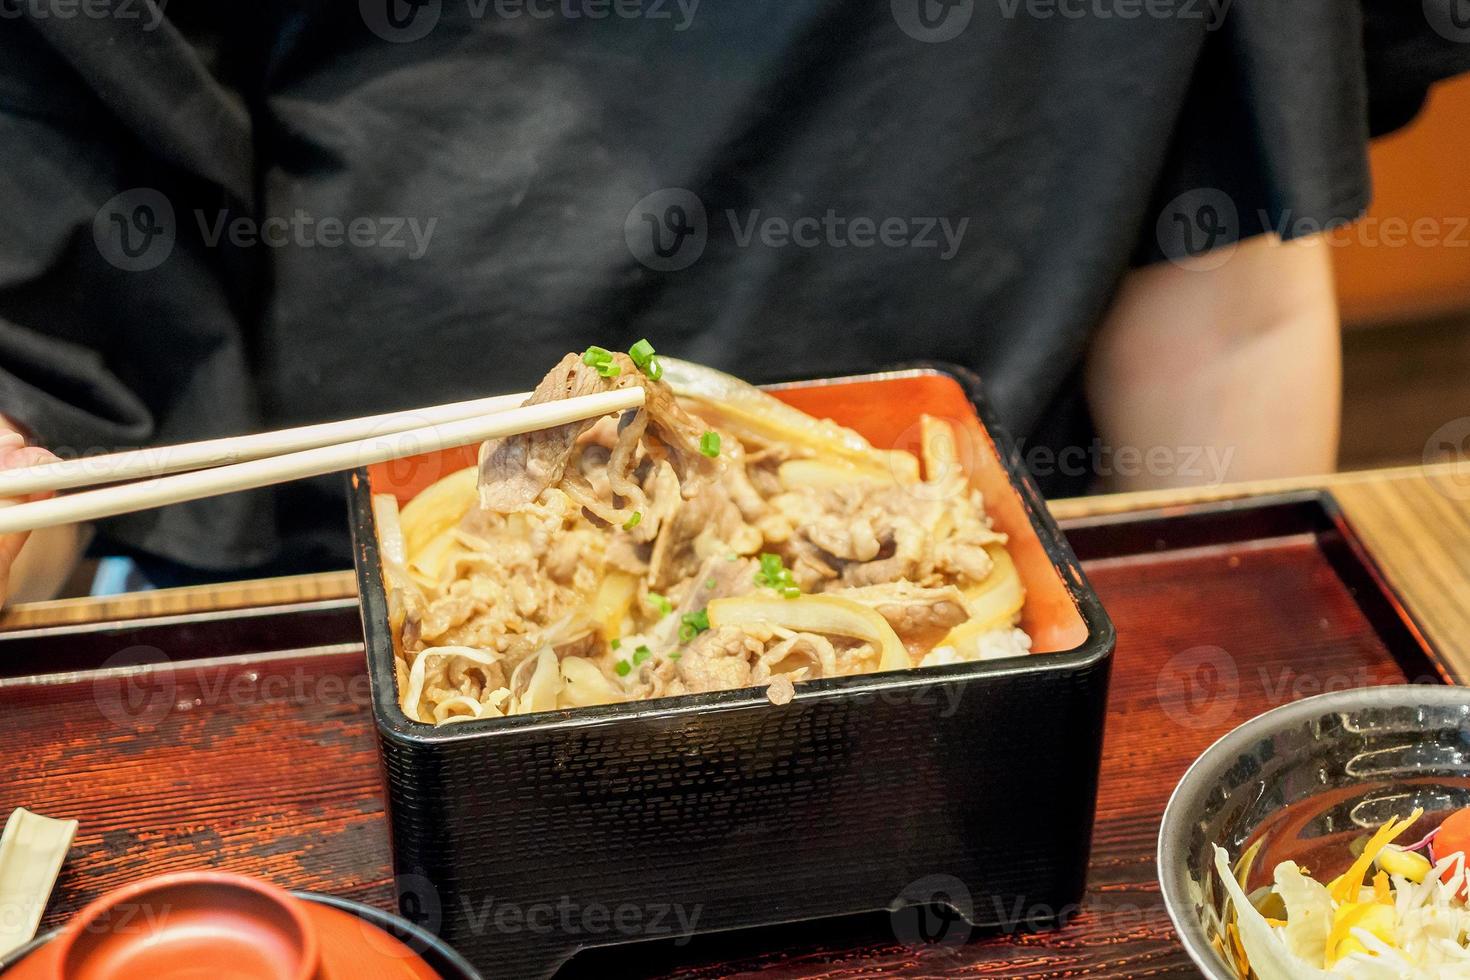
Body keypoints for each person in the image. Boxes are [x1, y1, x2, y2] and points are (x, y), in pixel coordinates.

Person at [1, 0, 1468, 606]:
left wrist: (1199, 689)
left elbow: (1224, 293)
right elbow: (63, 342)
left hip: (977, 591)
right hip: (346, 603)